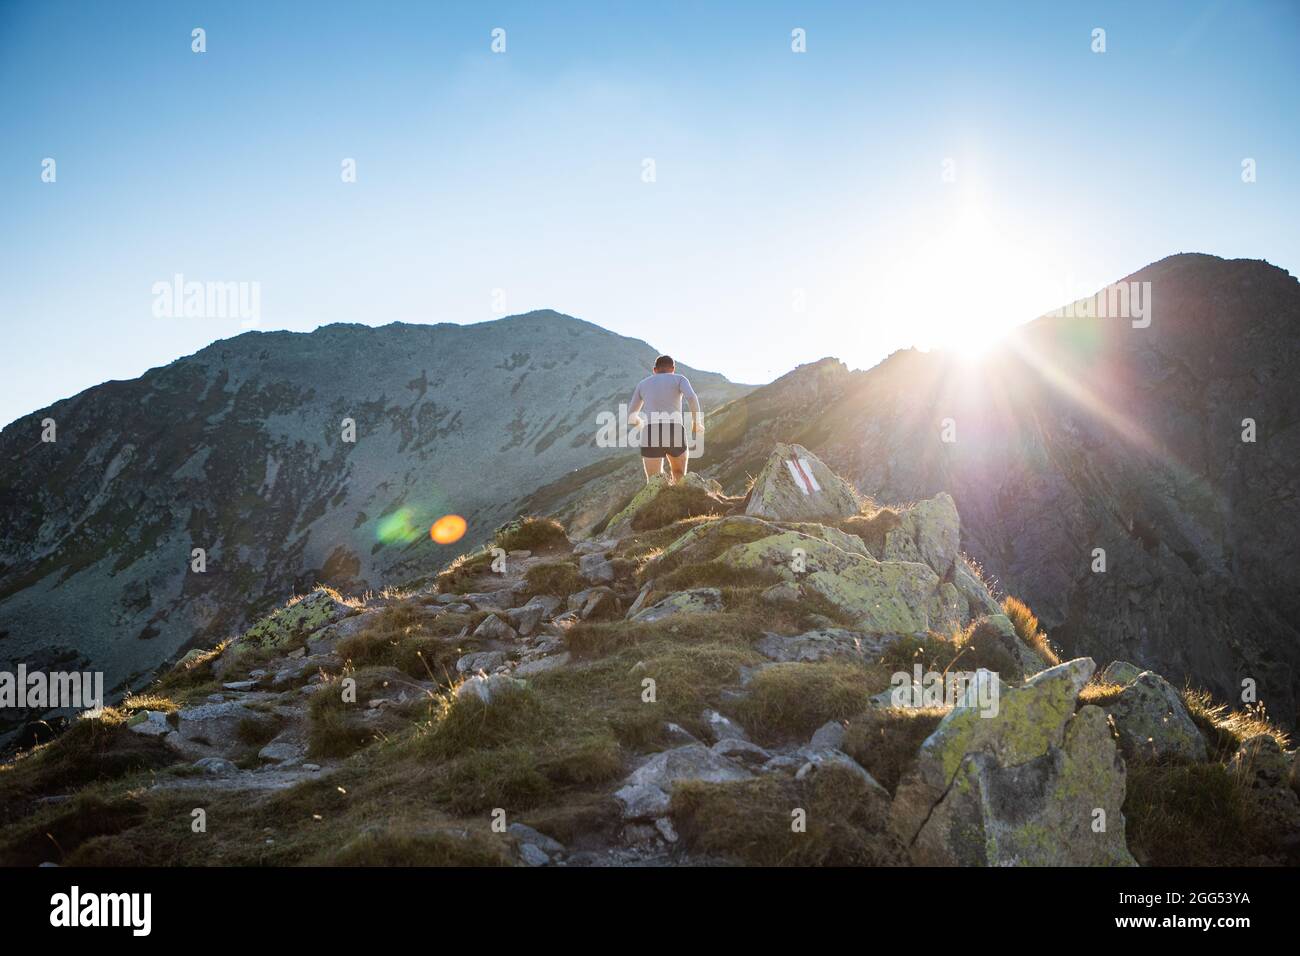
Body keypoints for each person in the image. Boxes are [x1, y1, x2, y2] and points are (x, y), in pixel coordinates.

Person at [627, 354, 704, 484]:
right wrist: (697, 423)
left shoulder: (643, 384)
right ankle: (679, 503)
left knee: (654, 482)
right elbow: (691, 397)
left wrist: (641, 425)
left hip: (651, 430)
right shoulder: (679, 379)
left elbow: (631, 416)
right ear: (673, 369)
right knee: (679, 476)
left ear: (654, 370)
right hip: (675, 428)